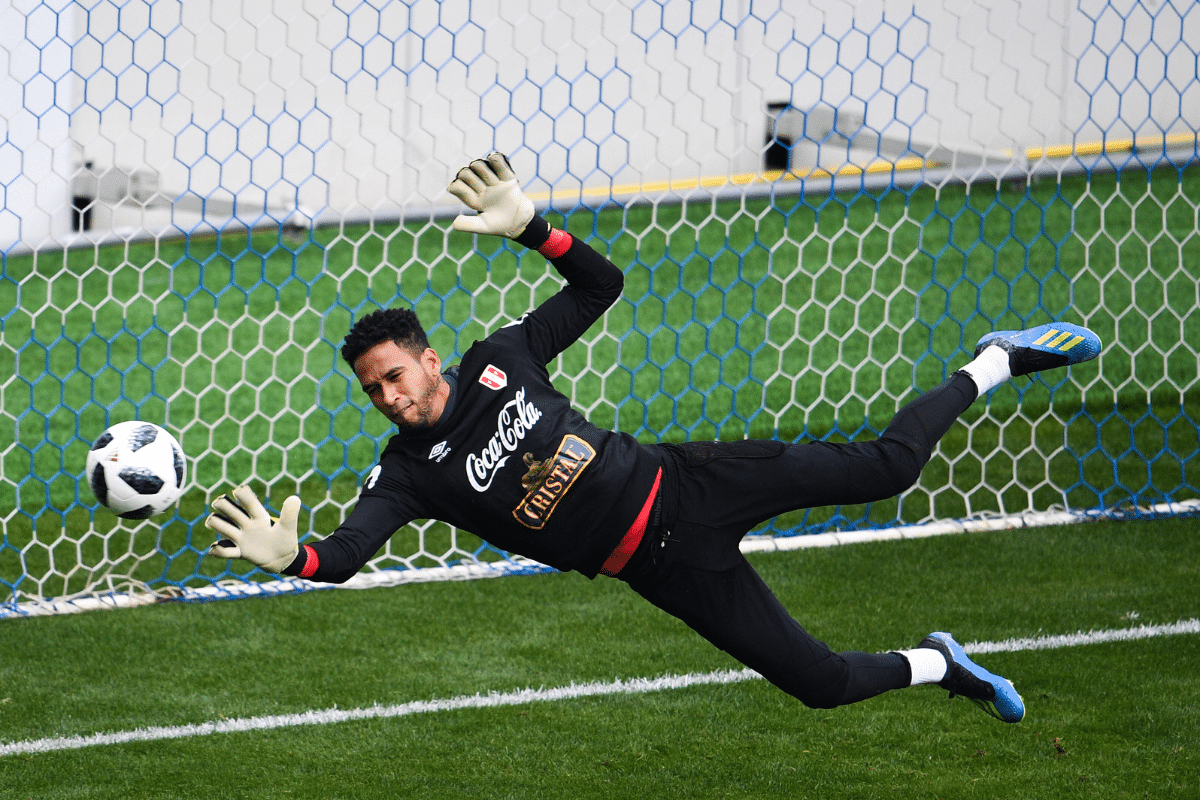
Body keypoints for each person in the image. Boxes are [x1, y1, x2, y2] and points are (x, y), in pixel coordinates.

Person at [206, 152, 1103, 724]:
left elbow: (602, 286)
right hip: (662, 568)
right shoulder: (406, 475)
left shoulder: (502, 358)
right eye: (372, 391)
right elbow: (348, 554)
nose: (388, 399)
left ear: (430, 360)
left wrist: (533, 231)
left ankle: (993, 364)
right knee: (820, 685)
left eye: (394, 376)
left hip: (689, 485)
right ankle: (941, 668)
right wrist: (296, 560)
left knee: (890, 468)